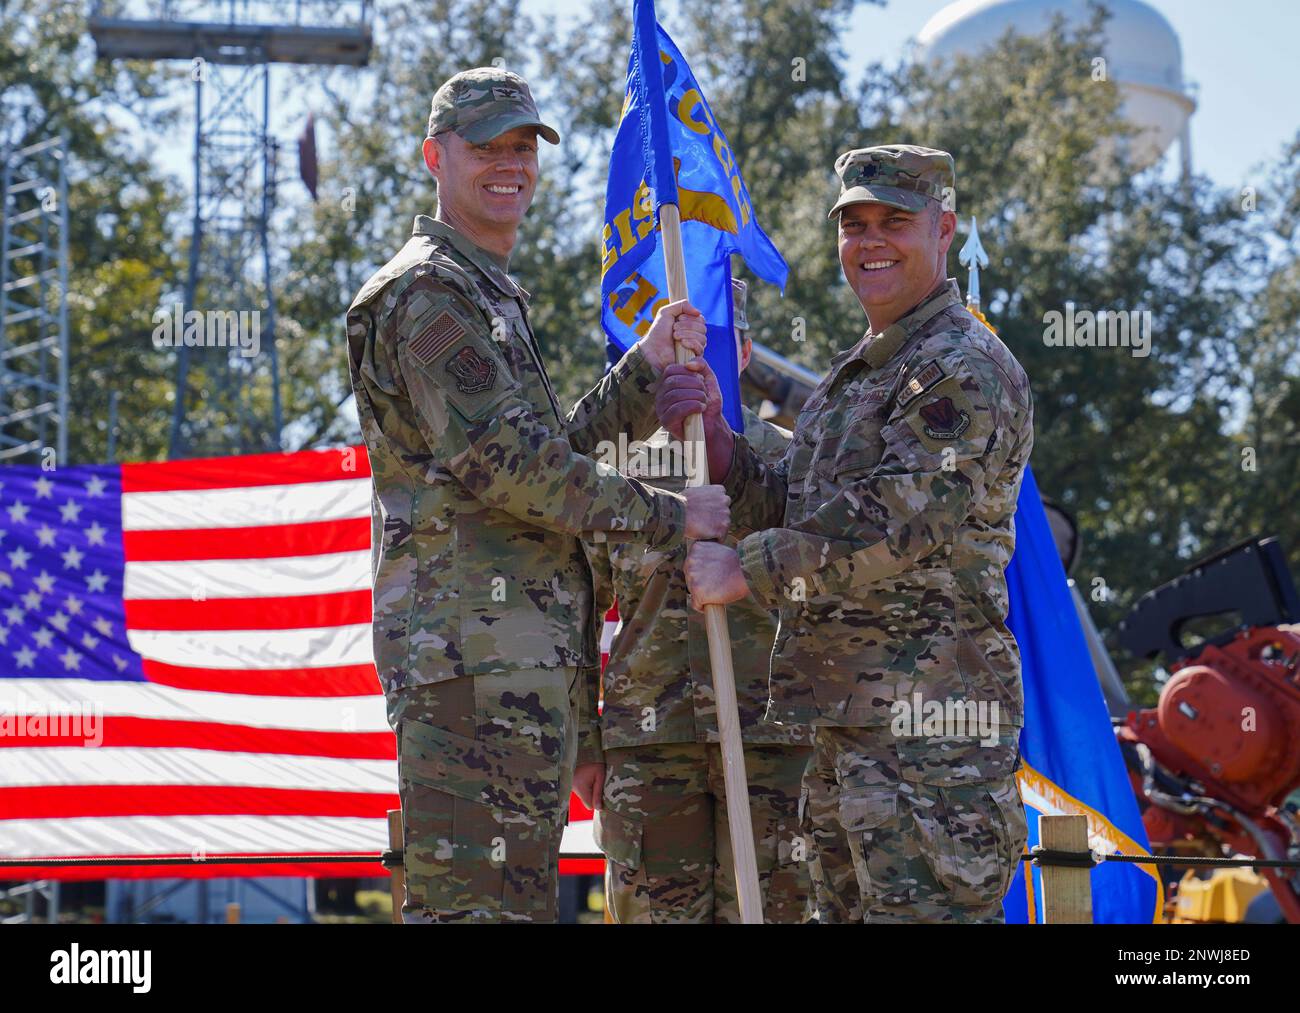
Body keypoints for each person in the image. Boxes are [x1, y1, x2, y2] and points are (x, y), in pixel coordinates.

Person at [345, 67, 728, 923]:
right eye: (488, 146)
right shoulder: (428, 292)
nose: (509, 163)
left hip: (517, 667)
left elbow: (537, 456)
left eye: (523, 146)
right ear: (434, 158)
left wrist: (645, 371)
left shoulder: (486, 294)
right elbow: (510, 468)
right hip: (472, 667)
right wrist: (673, 520)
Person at [657, 145, 1034, 923]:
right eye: (853, 224)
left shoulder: (960, 367)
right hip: (848, 727)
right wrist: (728, 450)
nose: (870, 242)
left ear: (945, 230)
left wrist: (747, 570)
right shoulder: (862, 372)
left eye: (894, 222)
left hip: (929, 741)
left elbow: (898, 521)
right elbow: (806, 501)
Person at [586, 279, 813, 923]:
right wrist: (581, 740)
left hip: (773, 745)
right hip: (649, 746)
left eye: (712, 346)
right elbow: (576, 608)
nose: (696, 363)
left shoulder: (795, 465)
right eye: (681, 346)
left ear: (743, 353)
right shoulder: (615, 478)